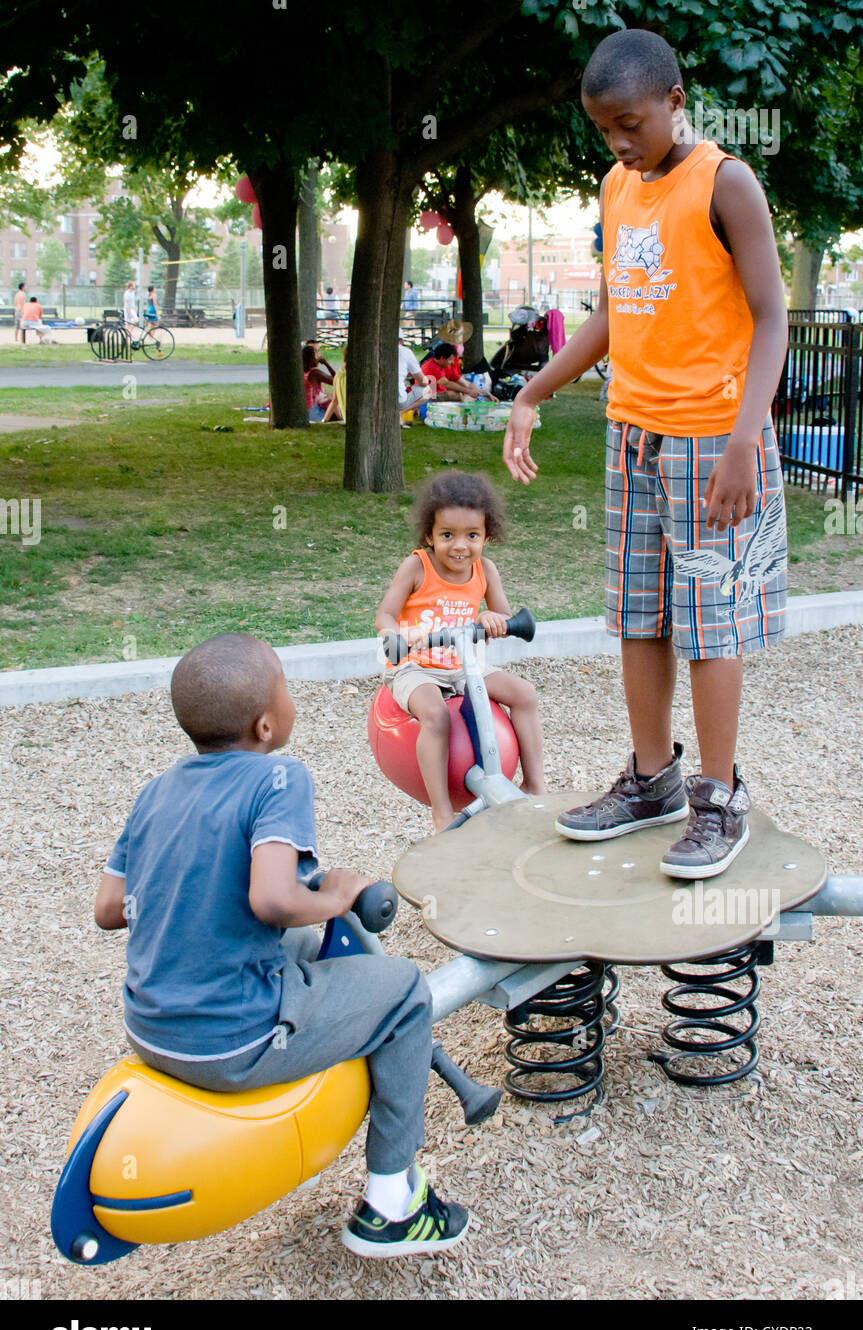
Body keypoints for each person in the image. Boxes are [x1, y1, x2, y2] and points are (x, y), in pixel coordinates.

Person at [503, 28, 789, 880]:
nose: (619, 143)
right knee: (637, 616)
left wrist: (744, 437)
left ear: (673, 99)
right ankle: (650, 779)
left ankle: (719, 797)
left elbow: (771, 315)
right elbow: (611, 315)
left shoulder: (725, 183)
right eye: (603, 130)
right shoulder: (616, 187)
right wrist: (531, 392)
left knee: (708, 627)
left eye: (630, 123)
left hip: (714, 441)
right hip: (633, 433)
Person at [93, 633, 470, 1257]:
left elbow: (109, 909)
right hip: (229, 1041)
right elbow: (273, 898)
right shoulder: (277, 776)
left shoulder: (156, 792)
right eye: (286, 689)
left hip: (149, 1031)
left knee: (296, 940)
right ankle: (393, 1205)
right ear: (266, 724)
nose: (292, 700)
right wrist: (339, 896)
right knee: (404, 989)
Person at [376, 471, 546, 833]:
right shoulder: (417, 566)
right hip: (415, 666)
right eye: (447, 535)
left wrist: (491, 618)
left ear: (487, 535)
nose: (460, 546)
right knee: (436, 716)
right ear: (430, 536)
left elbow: (501, 616)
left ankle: (534, 785)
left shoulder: (485, 570)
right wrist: (398, 634)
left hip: (463, 665)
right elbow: (385, 614)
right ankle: (441, 811)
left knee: (525, 695)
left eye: (472, 536)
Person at [423, 342, 497, 402]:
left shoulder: (448, 366)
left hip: (440, 393)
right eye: (450, 360)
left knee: (463, 394)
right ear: (442, 358)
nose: (452, 362)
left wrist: (486, 394)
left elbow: (466, 383)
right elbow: (446, 383)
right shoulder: (431, 366)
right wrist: (468, 392)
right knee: (459, 395)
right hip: (427, 396)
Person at [397, 331, 433, 424]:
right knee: (428, 389)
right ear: (401, 341)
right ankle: (399, 413)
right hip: (398, 399)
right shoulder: (405, 351)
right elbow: (423, 382)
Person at [303, 341, 341, 421]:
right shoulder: (315, 373)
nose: (319, 355)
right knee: (334, 406)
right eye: (316, 352)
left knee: (331, 400)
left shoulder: (305, 370)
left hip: (306, 410)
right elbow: (336, 381)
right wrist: (326, 363)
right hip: (313, 412)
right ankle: (341, 420)